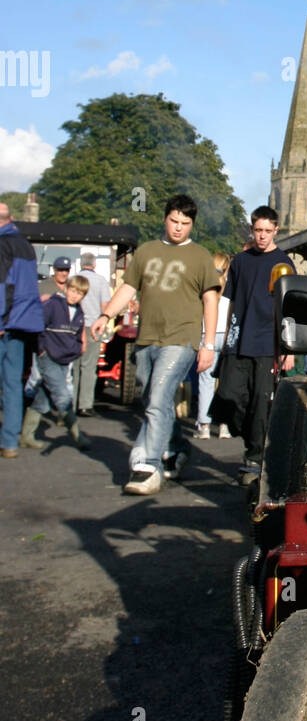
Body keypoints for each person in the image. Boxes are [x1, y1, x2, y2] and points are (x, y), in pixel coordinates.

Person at [91, 194, 219, 495]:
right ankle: (176, 446)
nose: (178, 228)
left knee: (160, 394)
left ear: (192, 225)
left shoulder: (200, 256)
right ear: (165, 219)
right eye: (174, 221)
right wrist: (106, 314)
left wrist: (208, 344)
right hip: (147, 337)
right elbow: (128, 288)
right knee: (152, 399)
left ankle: (147, 465)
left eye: (185, 224)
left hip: (182, 338)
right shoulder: (147, 252)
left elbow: (210, 300)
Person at [213, 207, 295, 479]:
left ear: (276, 231)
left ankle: (254, 457)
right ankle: (249, 438)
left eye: (267, 231)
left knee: (261, 405)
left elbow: (289, 308)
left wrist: (288, 349)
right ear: (252, 229)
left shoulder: (283, 263)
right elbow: (230, 301)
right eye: (258, 230)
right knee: (229, 397)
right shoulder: (240, 262)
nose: (262, 236)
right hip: (238, 340)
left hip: (267, 343)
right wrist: (223, 338)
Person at [21, 274, 91, 452]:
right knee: (62, 396)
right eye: (73, 290)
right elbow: (37, 327)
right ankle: (78, 435)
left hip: (64, 359)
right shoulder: (52, 305)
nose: (74, 295)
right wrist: (42, 349)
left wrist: (76, 349)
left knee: (43, 399)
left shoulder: (80, 312)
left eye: (79, 293)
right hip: (48, 358)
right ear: (66, 288)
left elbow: (76, 335)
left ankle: (26, 436)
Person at [0, 202, 44, 457]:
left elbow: (4, 286)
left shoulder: (2, 246)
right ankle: (10, 442)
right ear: (12, 218)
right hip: (24, 322)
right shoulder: (26, 246)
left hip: (5, 322)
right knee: (14, 382)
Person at [196, 252, 232, 440]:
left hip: (206, 335)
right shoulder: (229, 289)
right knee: (224, 383)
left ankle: (204, 425)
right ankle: (224, 425)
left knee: (206, 382)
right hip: (225, 336)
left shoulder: (206, 287)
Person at [72, 252, 112, 416]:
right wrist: (103, 324)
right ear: (94, 265)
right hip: (93, 326)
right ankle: (85, 404)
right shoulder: (101, 281)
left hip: (75, 326)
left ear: (81, 264)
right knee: (89, 367)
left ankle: (71, 403)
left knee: (74, 368)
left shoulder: (74, 280)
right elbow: (105, 306)